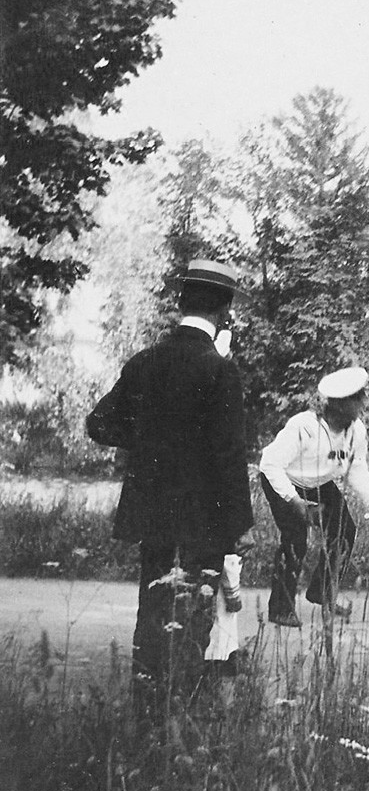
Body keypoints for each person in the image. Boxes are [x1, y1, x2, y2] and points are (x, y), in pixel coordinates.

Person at [87, 259, 254, 720]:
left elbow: (99, 424)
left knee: (154, 603)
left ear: (180, 303)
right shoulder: (219, 370)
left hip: (153, 513)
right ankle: (182, 708)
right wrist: (241, 524)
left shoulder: (144, 362)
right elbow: (228, 455)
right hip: (205, 516)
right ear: (224, 310)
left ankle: (145, 705)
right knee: (196, 609)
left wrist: (149, 438)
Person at [259, 366, 369, 625]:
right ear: (340, 404)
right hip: (283, 481)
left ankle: (323, 592)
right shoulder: (304, 426)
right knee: (295, 540)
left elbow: (356, 471)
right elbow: (270, 465)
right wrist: (294, 500)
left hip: (320, 483)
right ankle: (281, 608)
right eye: (358, 399)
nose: (363, 404)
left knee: (344, 532)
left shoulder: (357, 431)